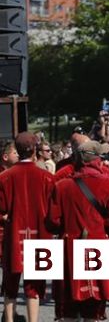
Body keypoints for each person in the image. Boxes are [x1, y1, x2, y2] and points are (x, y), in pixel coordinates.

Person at [47, 140, 109, 322]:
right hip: (97, 246)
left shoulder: (62, 186)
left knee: (69, 305)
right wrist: (102, 230)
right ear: (96, 160)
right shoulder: (108, 185)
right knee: (93, 306)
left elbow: (52, 221)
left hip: (69, 247)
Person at [0, 133, 55, 322]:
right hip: (40, 234)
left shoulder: (5, 177)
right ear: (34, 151)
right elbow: (53, 210)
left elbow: (1, 209)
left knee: (10, 284)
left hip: (14, 235)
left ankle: (9, 320)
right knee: (34, 287)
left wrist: (8, 216)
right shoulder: (47, 177)